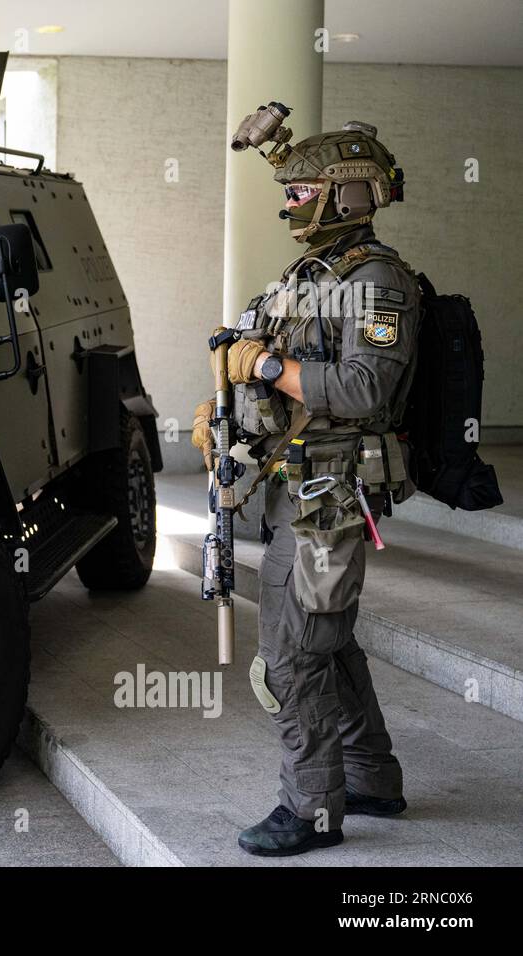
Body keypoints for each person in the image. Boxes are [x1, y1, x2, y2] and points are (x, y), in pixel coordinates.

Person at [193, 118, 416, 856]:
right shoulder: (311, 276)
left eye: (301, 190)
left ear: (347, 194)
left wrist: (260, 368)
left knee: (293, 657)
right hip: (298, 486)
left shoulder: (378, 281)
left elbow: (360, 389)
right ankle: (372, 776)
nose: (289, 203)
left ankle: (312, 809)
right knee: (329, 642)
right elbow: (262, 363)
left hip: (334, 496)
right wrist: (219, 410)